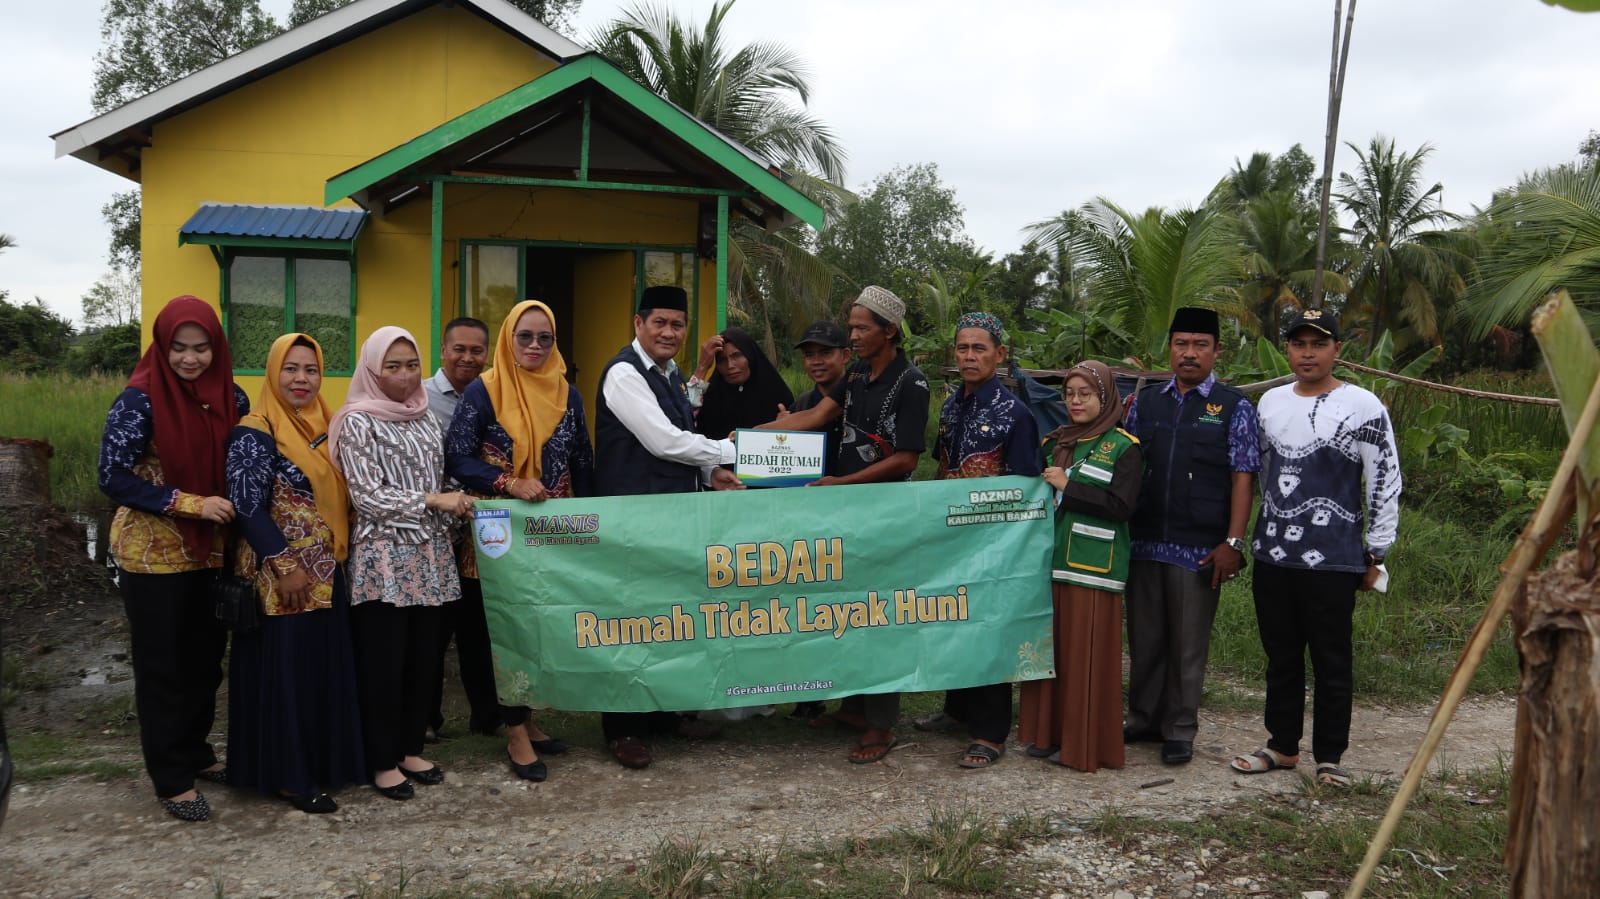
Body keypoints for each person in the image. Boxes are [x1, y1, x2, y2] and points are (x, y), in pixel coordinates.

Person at [757, 285, 931, 763]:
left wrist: (844, 482)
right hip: (848, 511)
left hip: (882, 514)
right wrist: (748, 436)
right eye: (851, 326)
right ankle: (855, 707)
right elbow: (814, 416)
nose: (852, 335)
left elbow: (906, 459)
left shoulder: (911, 383)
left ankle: (880, 725)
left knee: (880, 616)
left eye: (861, 328)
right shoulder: (856, 374)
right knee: (850, 612)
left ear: (889, 331)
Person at [1230, 310, 1401, 788]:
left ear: (1337, 351)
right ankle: (1282, 747)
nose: (1307, 352)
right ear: (1287, 350)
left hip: (1334, 557)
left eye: (1318, 344)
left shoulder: (1363, 406)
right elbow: (1255, 472)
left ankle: (1330, 757)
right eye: (1299, 343)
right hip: (1273, 554)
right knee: (1281, 656)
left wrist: (1377, 550)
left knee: (1331, 659)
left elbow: (1384, 479)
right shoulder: (1268, 403)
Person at [98, 295, 246, 821]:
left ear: (216, 347)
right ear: (162, 348)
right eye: (179, 348)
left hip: (212, 554)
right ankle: (170, 777)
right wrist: (190, 503)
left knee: (206, 663)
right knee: (164, 667)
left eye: (201, 348)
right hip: (153, 556)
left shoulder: (233, 397)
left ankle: (197, 752)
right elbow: (112, 476)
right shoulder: (139, 401)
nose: (190, 359)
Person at [593, 285, 744, 769]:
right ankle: (622, 728)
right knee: (628, 620)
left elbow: (684, 442)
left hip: (670, 516)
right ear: (638, 324)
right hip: (633, 517)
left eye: (677, 324)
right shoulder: (623, 373)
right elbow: (663, 441)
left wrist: (709, 472)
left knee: (667, 619)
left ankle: (661, 714)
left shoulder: (672, 374)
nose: (669, 332)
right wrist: (730, 452)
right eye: (659, 322)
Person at [445, 300, 593, 782]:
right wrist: (508, 482)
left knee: (537, 629)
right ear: (509, 339)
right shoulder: (483, 391)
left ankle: (527, 717)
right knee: (500, 633)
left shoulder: (567, 393)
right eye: (524, 337)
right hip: (494, 538)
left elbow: (582, 462)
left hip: (549, 537)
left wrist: (593, 524)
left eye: (544, 338)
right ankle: (511, 730)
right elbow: (457, 458)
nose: (534, 346)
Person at [330, 326, 474, 800]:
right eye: (392, 366)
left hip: (431, 557)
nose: (405, 375)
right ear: (372, 369)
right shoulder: (356, 421)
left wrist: (462, 503)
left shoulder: (425, 417)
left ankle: (410, 746)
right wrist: (436, 500)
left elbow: (442, 472)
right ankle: (380, 757)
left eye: (411, 364)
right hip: (385, 560)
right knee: (383, 662)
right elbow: (368, 497)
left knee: (424, 659)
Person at [224, 333, 365, 813]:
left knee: (318, 674)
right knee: (285, 676)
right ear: (272, 372)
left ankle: (320, 764)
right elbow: (247, 506)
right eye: (291, 369)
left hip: (329, 572)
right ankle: (288, 775)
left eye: (310, 369)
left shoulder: (327, 424)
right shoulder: (255, 430)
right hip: (282, 580)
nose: (301, 379)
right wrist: (285, 567)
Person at [1122, 306, 1260, 766]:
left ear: (1217, 351)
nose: (1189, 353)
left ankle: (1179, 729)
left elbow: (1243, 476)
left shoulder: (1233, 406)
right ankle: (1143, 719)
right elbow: (1127, 464)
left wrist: (1233, 543)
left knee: (1187, 643)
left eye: (1201, 345)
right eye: (1182, 343)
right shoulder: (1145, 403)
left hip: (1199, 547)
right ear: (1170, 347)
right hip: (1143, 540)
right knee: (1145, 639)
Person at [1019, 361, 1144, 773]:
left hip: (1093, 569)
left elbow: (1121, 507)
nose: (1075, 401)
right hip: (1049, 564)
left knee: (1083, 656)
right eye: (1070, 393)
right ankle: (1046, 734)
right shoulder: (1056, 442)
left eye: (1085, 394)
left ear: (1105, 398)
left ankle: (1082, 744)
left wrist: (1068, 487)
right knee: (1048, 653)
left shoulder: (1125, 447)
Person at [929, 313, 1042, 769]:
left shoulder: (1016, 414)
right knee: (955, 618)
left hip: (994, 542)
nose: (970, 356)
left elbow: (1024, 487)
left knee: (989, 627)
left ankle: (991, 731)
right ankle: (957, 710)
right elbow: (942, 468)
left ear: (1000, 354)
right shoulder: (951, 406)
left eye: (979, 349)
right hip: (952, 536)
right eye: (962, 348)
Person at [422, 316, 494, 741]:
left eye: (477, 351)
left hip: (482, 532)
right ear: (444, 350)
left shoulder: (494, 395)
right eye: (459, 349)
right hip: (434, 530)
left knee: (479, 630)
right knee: (434, 631)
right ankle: (427, 719)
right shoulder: (421, 397)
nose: (468, 358)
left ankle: (488, 716)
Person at [783, 319, 851, 721]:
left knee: (849, 612)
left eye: (825, 352)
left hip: (850, 520)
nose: (816, 361)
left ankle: (853, 697)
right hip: (807, 525)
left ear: (845, 355)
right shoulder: (799, 406)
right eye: (809, 354)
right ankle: (809, 693)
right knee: (807, 611)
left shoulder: (860, 401)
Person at [690, 326, 794, 439]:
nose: (730, 365)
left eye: (737, 356)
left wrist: (782, 427)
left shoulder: (777, 396)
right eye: (722, 360)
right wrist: (702, 367)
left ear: (750, 355)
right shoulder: (711, 397)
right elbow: (683, 417)